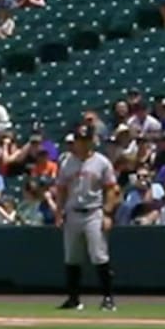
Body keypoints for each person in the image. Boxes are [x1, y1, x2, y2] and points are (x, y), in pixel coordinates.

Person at [53, 125, 118, 311]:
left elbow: (111, 189)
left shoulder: (101, 162)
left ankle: (107, 298)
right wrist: (59, 212)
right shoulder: (67, 162)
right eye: (79, 140)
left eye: (85, 139)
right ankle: (74, 299)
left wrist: (107, 213)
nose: (81, 143)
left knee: (99, 256)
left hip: (94, 212)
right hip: (73, 211)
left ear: (91, 141)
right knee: (72, 257)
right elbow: (61, 189)